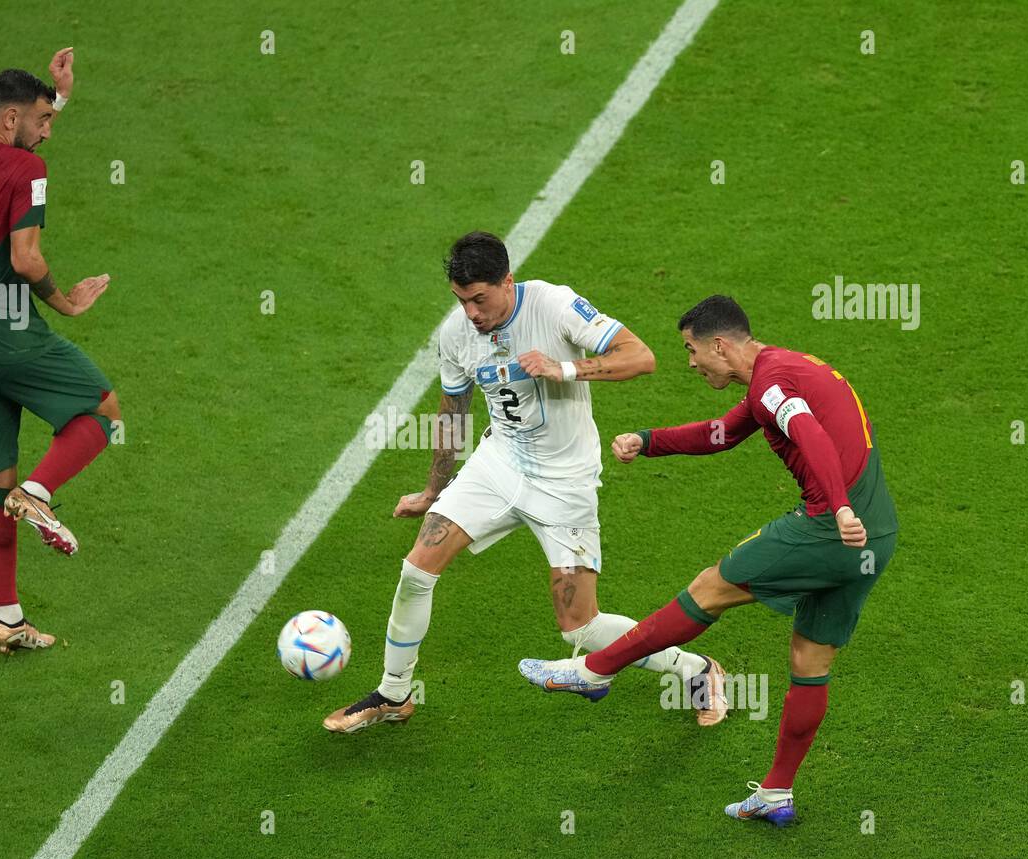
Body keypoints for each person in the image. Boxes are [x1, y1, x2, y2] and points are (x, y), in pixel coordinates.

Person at [323, 232, 725, 733]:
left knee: (580, 628)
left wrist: (564, 367)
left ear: (507, 282)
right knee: (416, 571)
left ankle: (695, 668)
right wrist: (433, 491)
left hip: (564, 483)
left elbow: (640, 356)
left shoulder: (554, 305)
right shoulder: (456, 335)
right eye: (460, 300)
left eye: (479, 299)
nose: (471, 313)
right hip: (499, 464)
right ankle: (394, 693)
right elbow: (453, 413)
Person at [519, 294, 898, 824]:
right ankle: (776, 794)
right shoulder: (782, 369)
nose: (691, 363)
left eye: (693, 351)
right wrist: (647, 441)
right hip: (875, 537)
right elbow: (722, 433)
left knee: (710, 587)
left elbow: (809, 434)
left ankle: (595, 670)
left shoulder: (769, 384)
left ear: (720, 345)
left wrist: (836, 508)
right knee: (810, 666)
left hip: (831, 528)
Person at [0, 49, 117, 653]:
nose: (48, 128)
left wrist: (56, 98)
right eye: (42, 118)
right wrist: (66, 303)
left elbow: (4, 156)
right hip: (9, 335)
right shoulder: (25, 173)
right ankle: (36, 495)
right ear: (13, 120)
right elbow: (24, 259)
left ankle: (7, 621)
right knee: (103, 412)